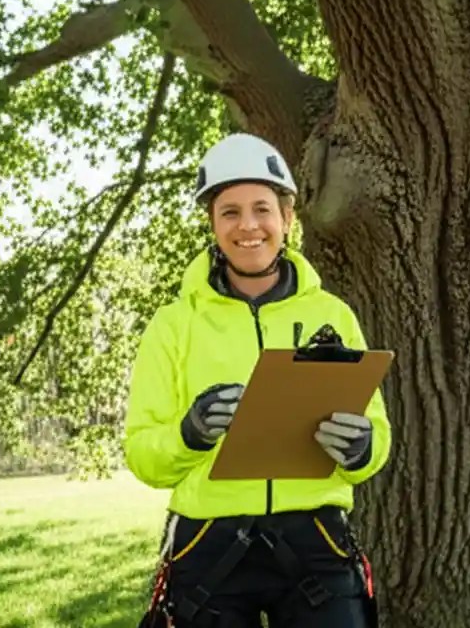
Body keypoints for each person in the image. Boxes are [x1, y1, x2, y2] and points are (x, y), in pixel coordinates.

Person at [125, 133, 391, 628]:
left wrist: (361, 449)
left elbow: (376, 437)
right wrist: (190, 433)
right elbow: (143, 454)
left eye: (262, 209)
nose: (248, 225)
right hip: (209, 541)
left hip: (316, 538)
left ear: (287, 218)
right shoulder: (173, 325)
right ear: (212, 222)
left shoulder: (332, 314)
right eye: (230, 212)